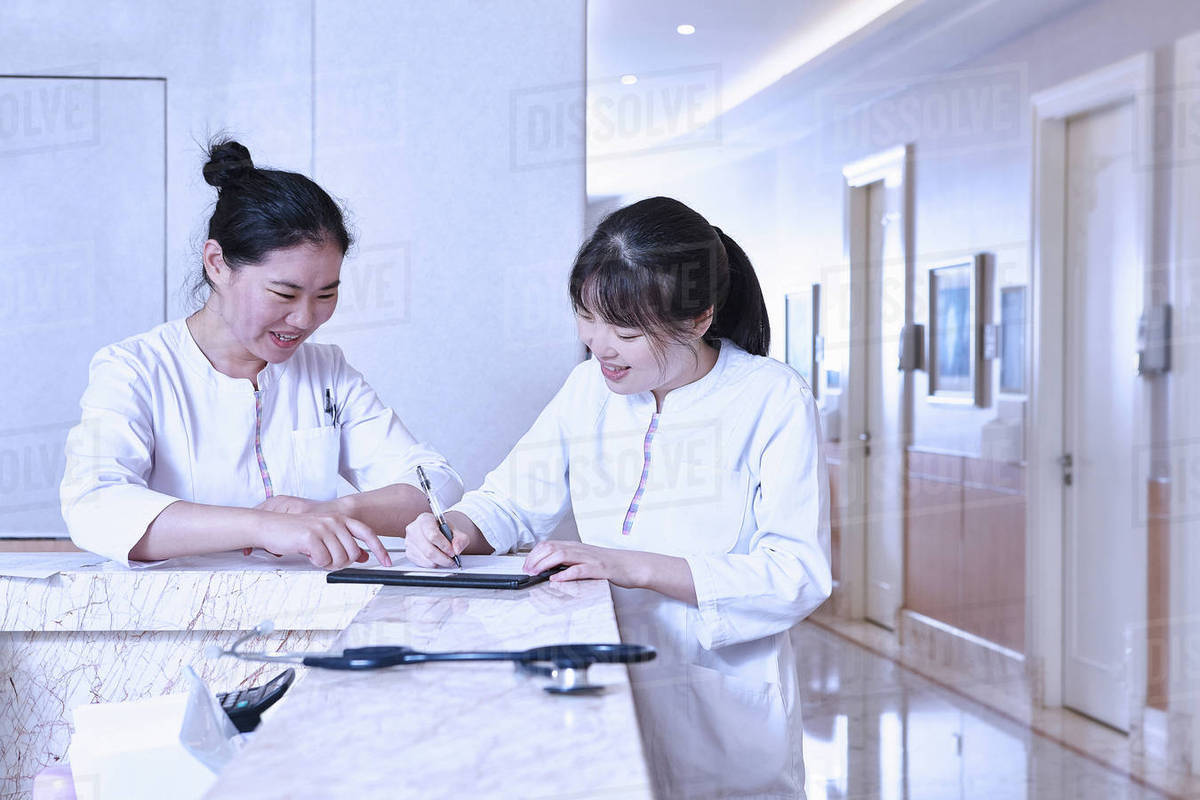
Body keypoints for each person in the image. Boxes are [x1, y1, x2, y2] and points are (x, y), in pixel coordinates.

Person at [405, 196, 831, 798]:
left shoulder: (772, 399)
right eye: (586, 317)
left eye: (626, 331)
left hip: (723, 702)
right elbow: (510, 498)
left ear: (699, 318)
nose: (599, 345)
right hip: (606, 678)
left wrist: (627, 566)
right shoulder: (588, 390)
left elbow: (796, 574)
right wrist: (453, 525)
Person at [60, 139, 461, 569]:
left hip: (311, 617)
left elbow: (434, 480)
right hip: (183, 622)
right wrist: (261, 526)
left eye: (326, 294)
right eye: (283, 293)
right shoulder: (136, 369)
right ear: (217, 263)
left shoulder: (327, 372)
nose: (305, 318)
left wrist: (334, 511)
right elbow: (95, 505)